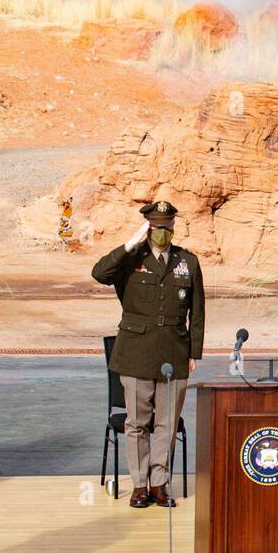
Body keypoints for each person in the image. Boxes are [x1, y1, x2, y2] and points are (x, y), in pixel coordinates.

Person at [91, 200, 204, 508]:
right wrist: (131, 242)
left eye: (166, 227)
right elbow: (99, 273)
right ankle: (139, 485)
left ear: (174, 227)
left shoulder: (187, 262)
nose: (162, 233)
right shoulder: (130, 260)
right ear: (147, 228)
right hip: (136, 353)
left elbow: (198, 313)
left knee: (167, 423)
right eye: (155, 228)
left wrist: (194, 353)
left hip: (174, 352)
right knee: (137, 422)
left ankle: (159, 485)